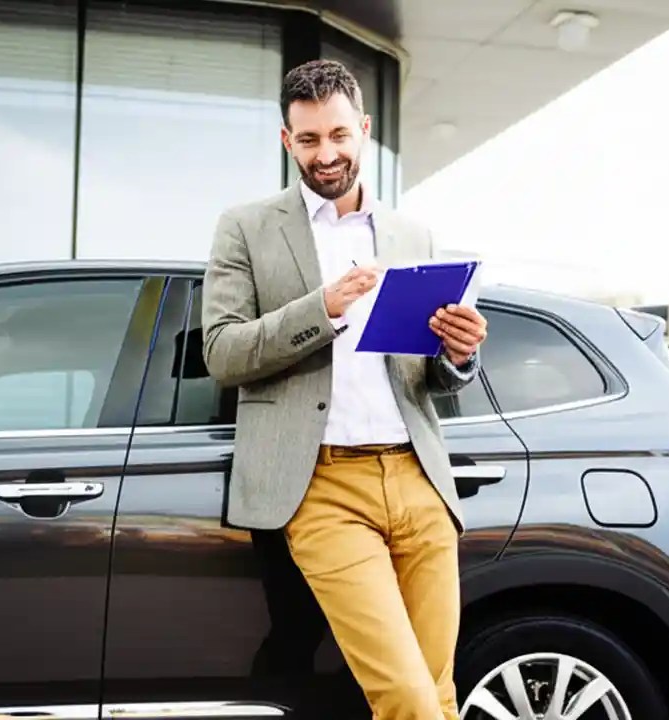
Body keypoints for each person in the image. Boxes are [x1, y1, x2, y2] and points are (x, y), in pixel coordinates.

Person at [201, 59, 488, 720]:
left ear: (363, 129)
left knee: (438, 694)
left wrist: (459, 353)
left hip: (417, 480)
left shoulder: (412, 235)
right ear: (287, 141)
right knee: (406, 697)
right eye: (308, 140)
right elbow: (222, 352)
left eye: (337, 135)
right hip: (322, 488)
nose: (325, 154)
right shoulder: (246, 227)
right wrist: (322, 309)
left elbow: (428, 376)